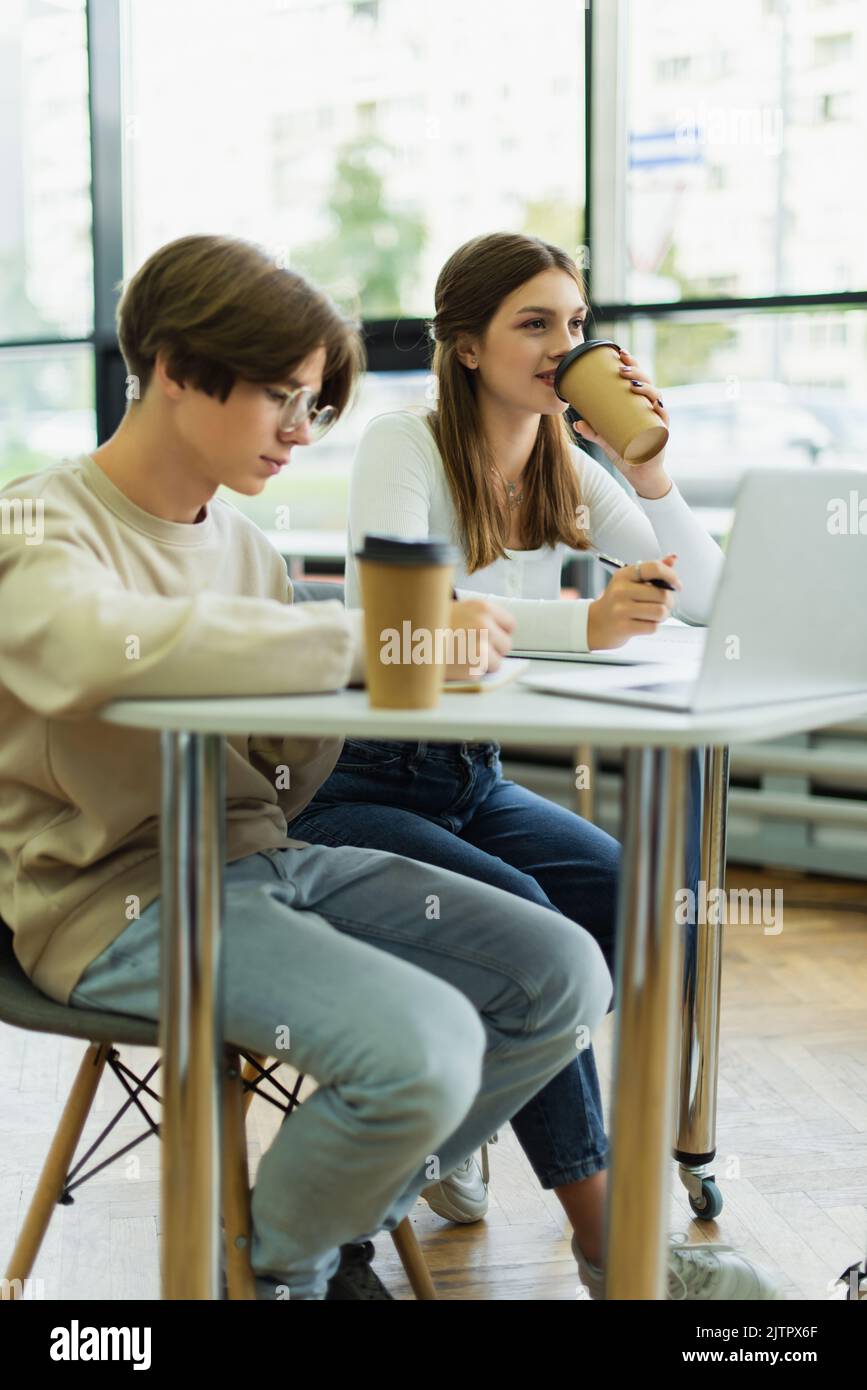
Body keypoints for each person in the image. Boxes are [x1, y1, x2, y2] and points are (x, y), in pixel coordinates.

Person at [0, 233, 614, 1301]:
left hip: (261, 862)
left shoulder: (249, 549)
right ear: (182, 369)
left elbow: (285, 771)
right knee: (420, 1049)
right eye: (283, 396)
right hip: (114, 902)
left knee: (562, 974)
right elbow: (95, 647)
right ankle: (272, 1271)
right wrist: (367, 642)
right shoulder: (38, 525)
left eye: (317, 405)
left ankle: (320, 1231)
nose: (302, 430)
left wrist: (400, 679)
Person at [286, 233, 782, 1300]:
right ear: (466, 347)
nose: (565, 346)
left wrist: (647, 469)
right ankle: (608, 1242)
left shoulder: (569, 463)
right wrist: (579, 624)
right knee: (536, 925)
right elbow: (401, 620)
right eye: (535, 324)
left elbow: (707, 597)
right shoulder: (402, 445)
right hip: (354, 784)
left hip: (471, 777)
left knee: (632, 900)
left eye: (574, 323)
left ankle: (462, 1104)